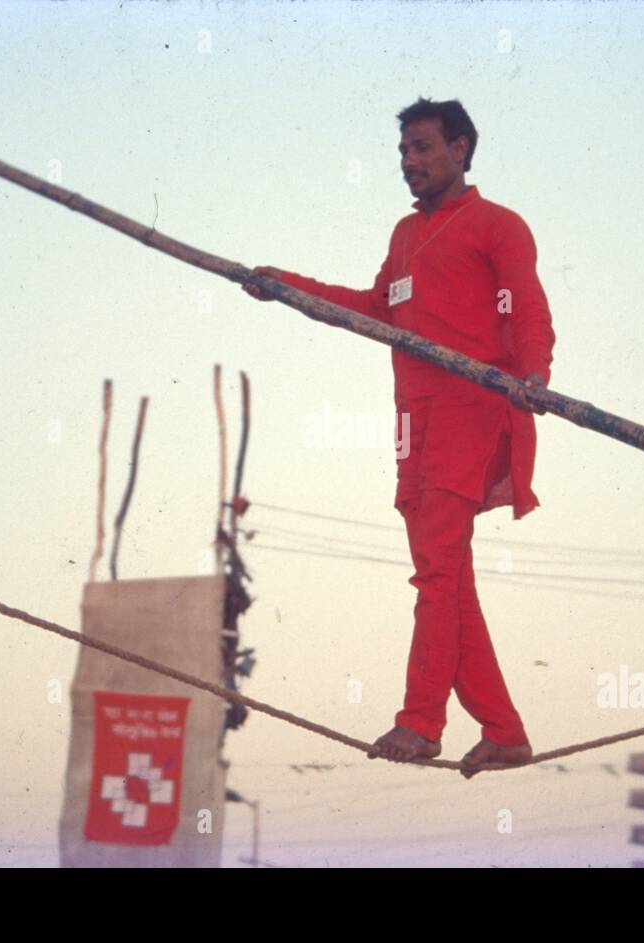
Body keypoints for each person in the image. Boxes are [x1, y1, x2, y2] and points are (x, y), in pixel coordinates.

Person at [241, 97, 555, 778]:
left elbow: (526, 303)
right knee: (451, 580)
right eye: (404, 152)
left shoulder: (499, 226)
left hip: (471, 408)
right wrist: (286, 287)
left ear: (461, 148)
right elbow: (375, 310)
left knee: (438, 572)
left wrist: (533, 373)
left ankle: (422, 719)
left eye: (423, 148)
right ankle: (502, 730)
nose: (410, 162)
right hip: (415, 420)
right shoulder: (406, 236)